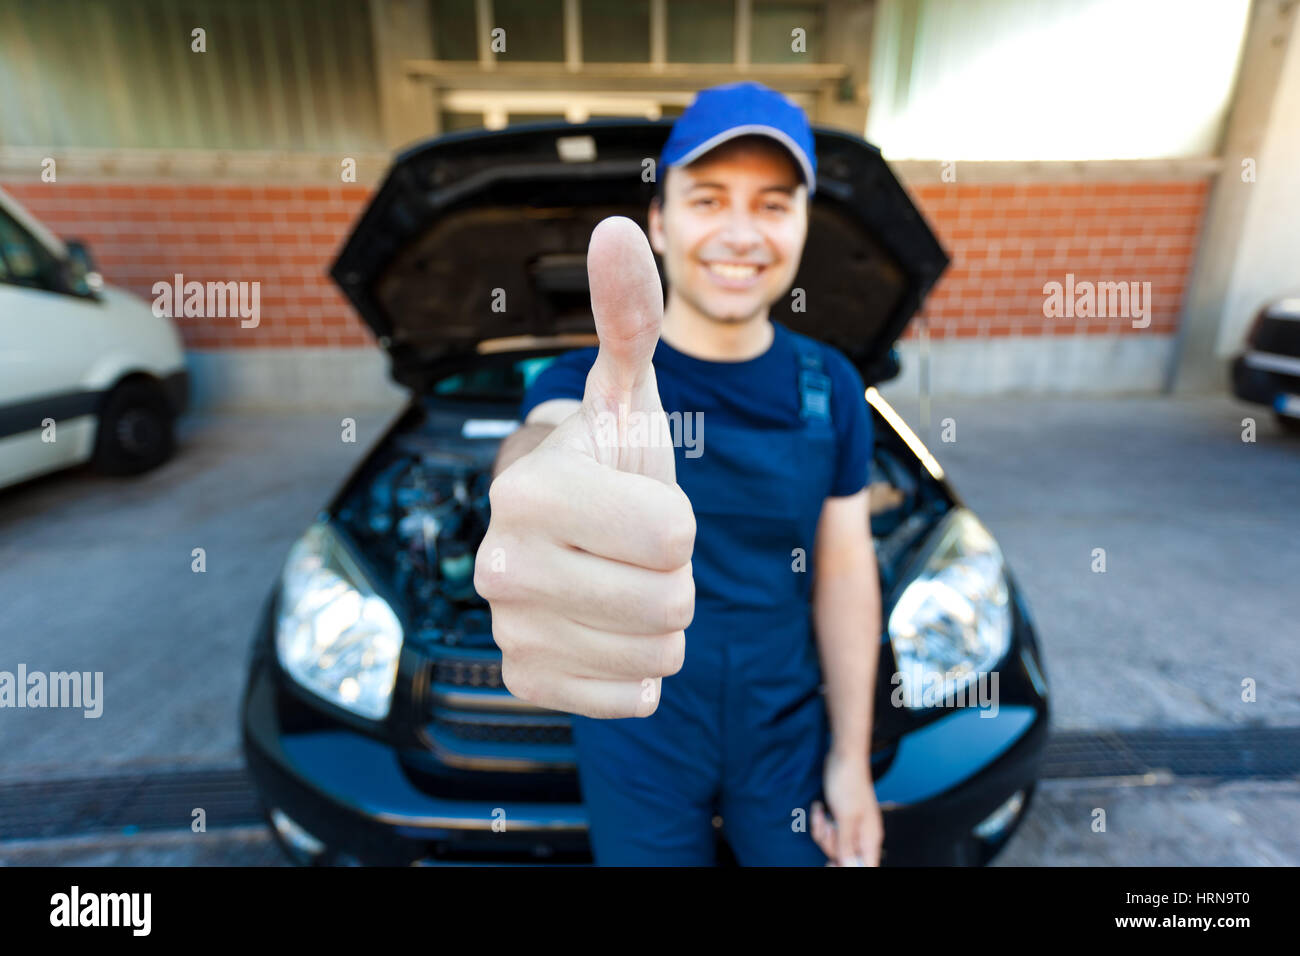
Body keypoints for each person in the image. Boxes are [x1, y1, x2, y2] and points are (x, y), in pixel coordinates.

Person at [474, 81, 883, 866]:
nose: (740, 233)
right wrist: (534, 492)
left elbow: (843, 566)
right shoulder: (592, 381)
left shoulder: (830, 384)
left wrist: (851, 760)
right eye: (708, 199)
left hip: (783, 715)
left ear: (802, 224)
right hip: (639, 719)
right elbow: (541, 447)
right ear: (660, 222)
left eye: (772, 203)